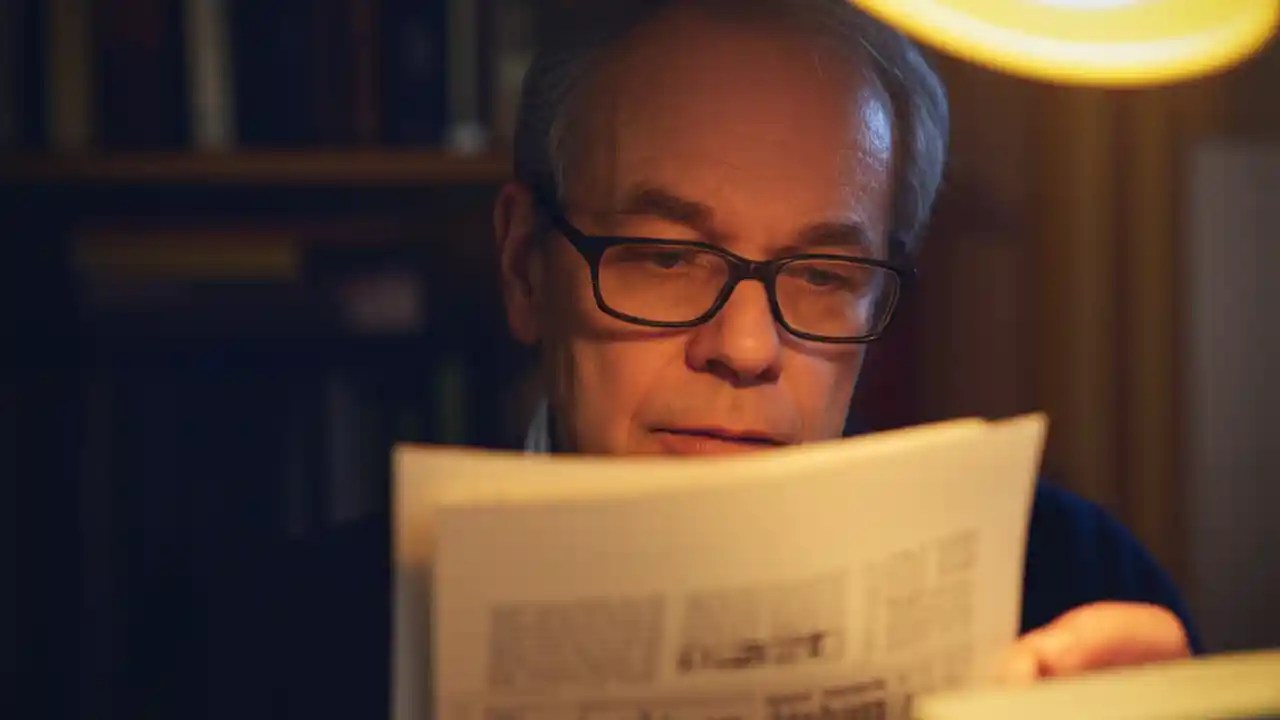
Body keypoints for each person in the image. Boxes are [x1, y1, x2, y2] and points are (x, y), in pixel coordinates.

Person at [265, 0, 1197, 715]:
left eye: (826, 272)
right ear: (523, 268)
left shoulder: (1072, 582)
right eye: (667, 258)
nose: (747, 348)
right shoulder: (291, 644)